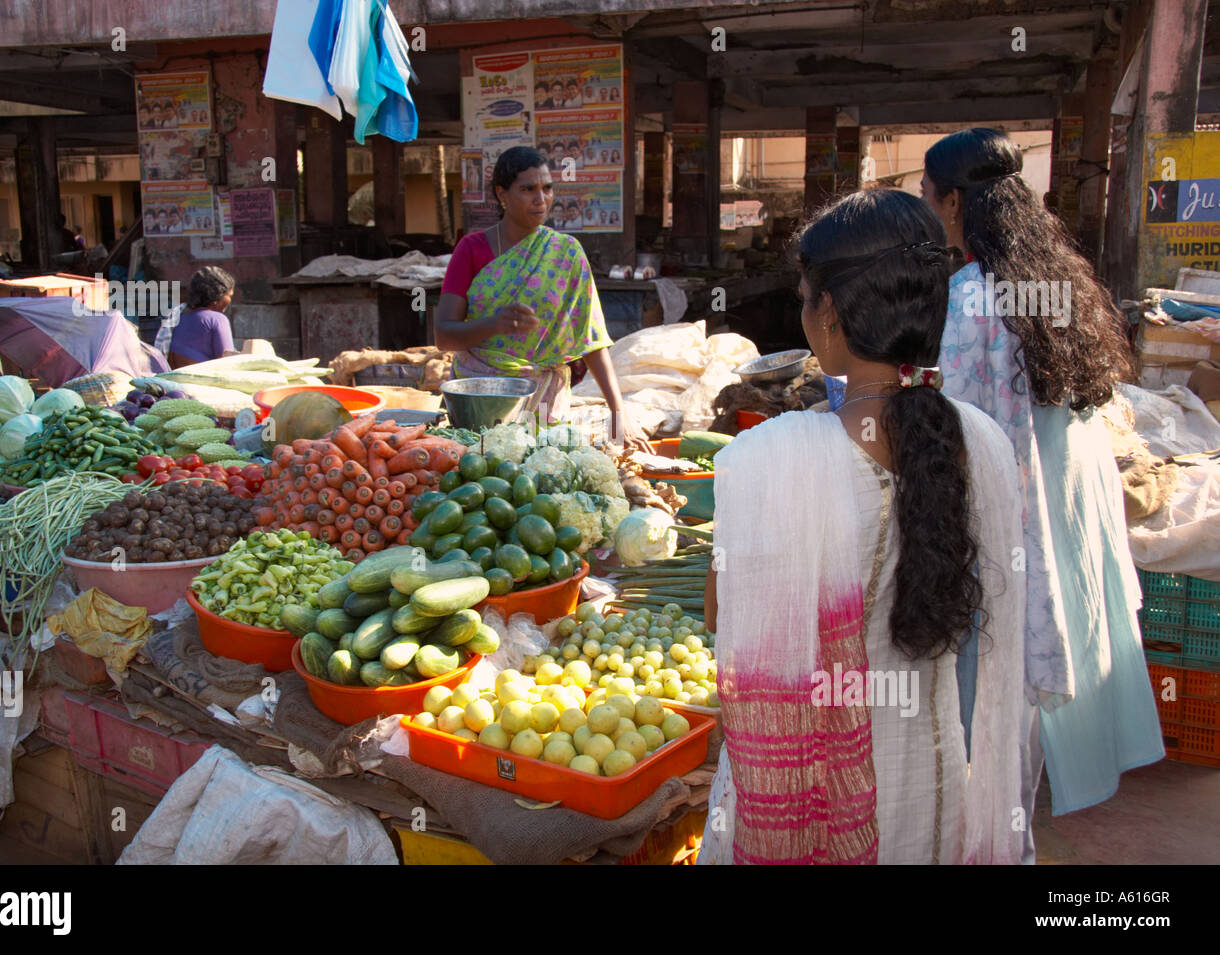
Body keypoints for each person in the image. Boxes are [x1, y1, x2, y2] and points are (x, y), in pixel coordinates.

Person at [700, 188, 1027, 865]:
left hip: (812, 801)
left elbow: (719, 615)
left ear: (829, 317)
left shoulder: (769, 456)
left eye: (803, 296)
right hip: (929, 787)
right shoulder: (981, 442)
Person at [921, 128, 1163, 833]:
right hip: (1069, 496)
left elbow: (959, 429)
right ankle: (1028, 788)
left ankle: (996, 813)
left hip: (1020, 507)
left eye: (932, 200)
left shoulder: (972, 297)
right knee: (1054, 626)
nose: (933, 214)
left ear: (956, 201)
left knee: (1003, 655)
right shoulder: (1060, 280)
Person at [434, 145, 649, 449]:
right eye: (528, 189)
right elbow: (444, 335)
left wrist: (617, 414)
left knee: (544, 485)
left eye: (547, 188)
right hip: (481, 401)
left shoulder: (567, 253)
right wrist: (494, 324)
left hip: (546, 401)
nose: (542, 198)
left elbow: (590, 339)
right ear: (502, 194)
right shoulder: (471, 249)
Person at [166, 266, 237, 368]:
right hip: (203, 382)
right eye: (229, 295)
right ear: (218, 295)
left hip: (173, 381)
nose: (230, 300)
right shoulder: (218, 320)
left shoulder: (177, 318)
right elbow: (228, 362)